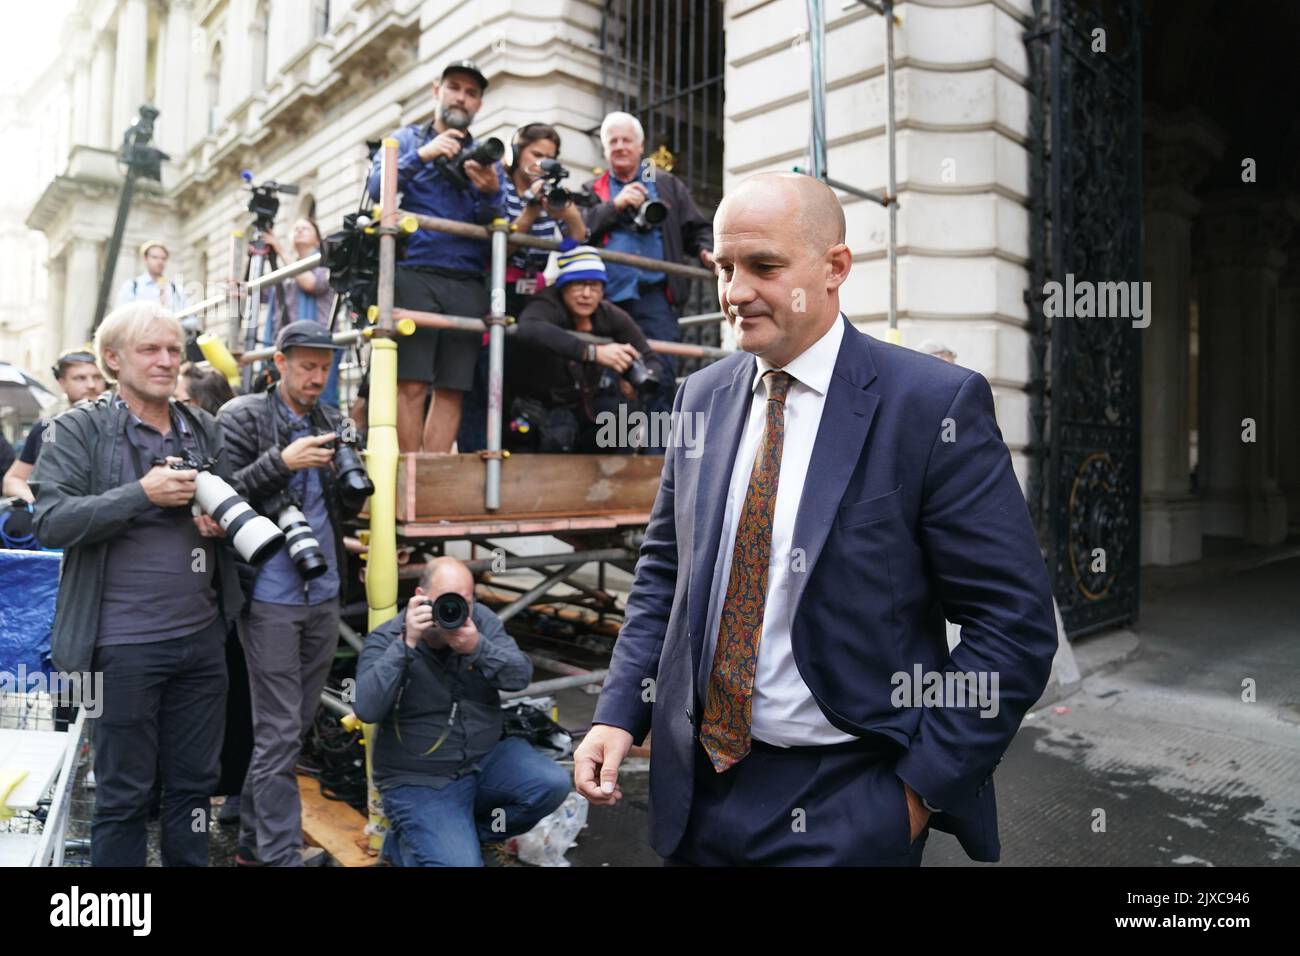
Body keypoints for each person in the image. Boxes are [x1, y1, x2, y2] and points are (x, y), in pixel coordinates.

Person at [572, 172, 1058, 866]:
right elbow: (665, 574)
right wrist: (620, 712)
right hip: (695, 793)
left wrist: (913, 795)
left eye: (763, 266)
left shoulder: (932, 405)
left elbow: (1013, 623)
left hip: (849, 803)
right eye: (723, 267)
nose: (735, 292)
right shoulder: (700, 399)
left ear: (835, 268)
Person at [31, 301, 244, 867]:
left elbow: (229, 502)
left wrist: (217, 521)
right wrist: (139, 495)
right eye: (150, 349)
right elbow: (51, 521)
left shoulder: (202, 426)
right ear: (111, 358)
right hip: (120, 646)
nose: (167, 360)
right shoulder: (74, 429)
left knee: (194, 789)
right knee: (123, 796)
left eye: (174, 349)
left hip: (201, 638)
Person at [218, 321, 355, 867]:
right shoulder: (245, 414)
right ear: (279, 362)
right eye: (306, 366)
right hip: (270, 594)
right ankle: (278, 855)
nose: (317, 377)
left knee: (292, 728)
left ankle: (255, 844)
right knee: (277, 731)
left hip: (322, 589)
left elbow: (348, 505)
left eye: (325, 367)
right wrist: (285, 462)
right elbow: (221, 491)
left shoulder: (331, 420)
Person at [353, 556, 570, 867]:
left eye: (464, 601)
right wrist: (406, 644)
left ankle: (469, 836)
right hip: (421, 779)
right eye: (446, 601)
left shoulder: (480, 622)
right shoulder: (389, 637)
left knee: (551, 784)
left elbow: (520, 676)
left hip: (484, 760)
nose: (454, 611)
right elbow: (366, 708)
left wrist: (477, 647)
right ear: (420, 597)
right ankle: (414, 845)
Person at [367, 59, 506, 454]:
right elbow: (378, 187)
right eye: (455, 87)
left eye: (471, 92)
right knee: (411, 384)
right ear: (436, 91)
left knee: (453, 389)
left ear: (479, 104)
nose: (461, 97)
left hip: (466, 280)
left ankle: (431, 479)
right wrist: (424, 155)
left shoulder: (486, 154)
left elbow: (498, 222)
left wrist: (492, 190)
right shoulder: (407, 140)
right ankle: (412, 481)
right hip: (415, 273)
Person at [582, 112, 714, 446]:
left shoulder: (664, 183)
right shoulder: (592, 189)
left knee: (660, 375)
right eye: (613, 141)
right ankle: (616, 456)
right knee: (609, 378)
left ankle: (658, 463)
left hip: (656, 297)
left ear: (641, 146)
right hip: (605, 300)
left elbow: (697, 228)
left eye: (627, 140)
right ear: (604, 149)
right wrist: (615, 206)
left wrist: (706, 252)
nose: (621, 147)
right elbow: (578, 230)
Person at [458, 122, 590, 453]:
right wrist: (530, 210)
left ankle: (523, 449)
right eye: (535, 154)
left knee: (529, 372)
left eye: (549, 157)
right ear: (518, 152)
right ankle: (480, 453)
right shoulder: (497, 185)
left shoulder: (548, 191)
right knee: (487, 373)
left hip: (534, 292)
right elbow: (500, 247)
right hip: (495, 286)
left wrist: (566, 209)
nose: (540, 163)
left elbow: (576, 239)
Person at [510, 244, 658, 453]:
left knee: (626, 421)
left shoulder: (607, 313)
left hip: (585, 403)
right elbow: (529, 328)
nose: (587, 294)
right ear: (563, 287)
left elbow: (650, 358)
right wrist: (593, 352)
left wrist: (634, 379)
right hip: (544, 405)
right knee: (558, 435)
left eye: (595, 286)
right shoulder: (548, 302)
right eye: (579, 285)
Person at [252, 218, 342, 407]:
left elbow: (312, 284)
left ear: (317, 239)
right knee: (285, 399)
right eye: (296, 228)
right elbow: (262, 295)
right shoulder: (288, 269)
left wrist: (280, 250)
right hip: (289, 344)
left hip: (318, 341)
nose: (299, 231)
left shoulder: (324, 260)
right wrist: (254, 260)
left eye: (305, 228)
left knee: (321, 399)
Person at [3, 348, 106, 503]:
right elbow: (13, 480)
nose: (91, 385)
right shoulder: (49, 427)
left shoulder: (119, 423)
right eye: (80, 378)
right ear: (62, 383)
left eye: (97, 377)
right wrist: (38, 501)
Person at [116, 239, 187, 311]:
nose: (160, 261)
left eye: (163, 258)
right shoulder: (132, 286)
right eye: (155, 257)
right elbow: (122, 314)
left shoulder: (176, 290)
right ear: (145, 259)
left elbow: (190, 318)